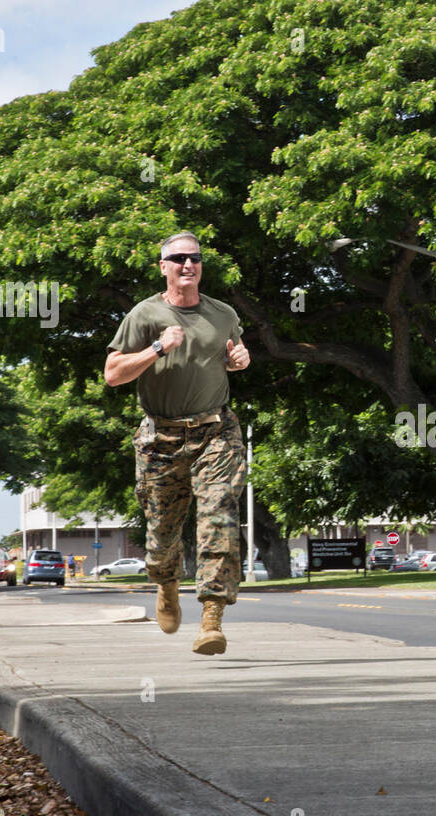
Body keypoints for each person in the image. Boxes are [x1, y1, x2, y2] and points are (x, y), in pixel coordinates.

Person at [104, 231, 250, 655]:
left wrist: (241, 358)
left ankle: (212, 619)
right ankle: (165, 581)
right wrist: (157, 347)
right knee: (161, 538)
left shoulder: (222, 313)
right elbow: (113, 374)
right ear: (163, 266)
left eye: (195, 258)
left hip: (216, 432)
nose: (188, 265)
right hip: (161, 439)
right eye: (179, 259)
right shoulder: (144, 314)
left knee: (218, 516)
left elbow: (236, 352)